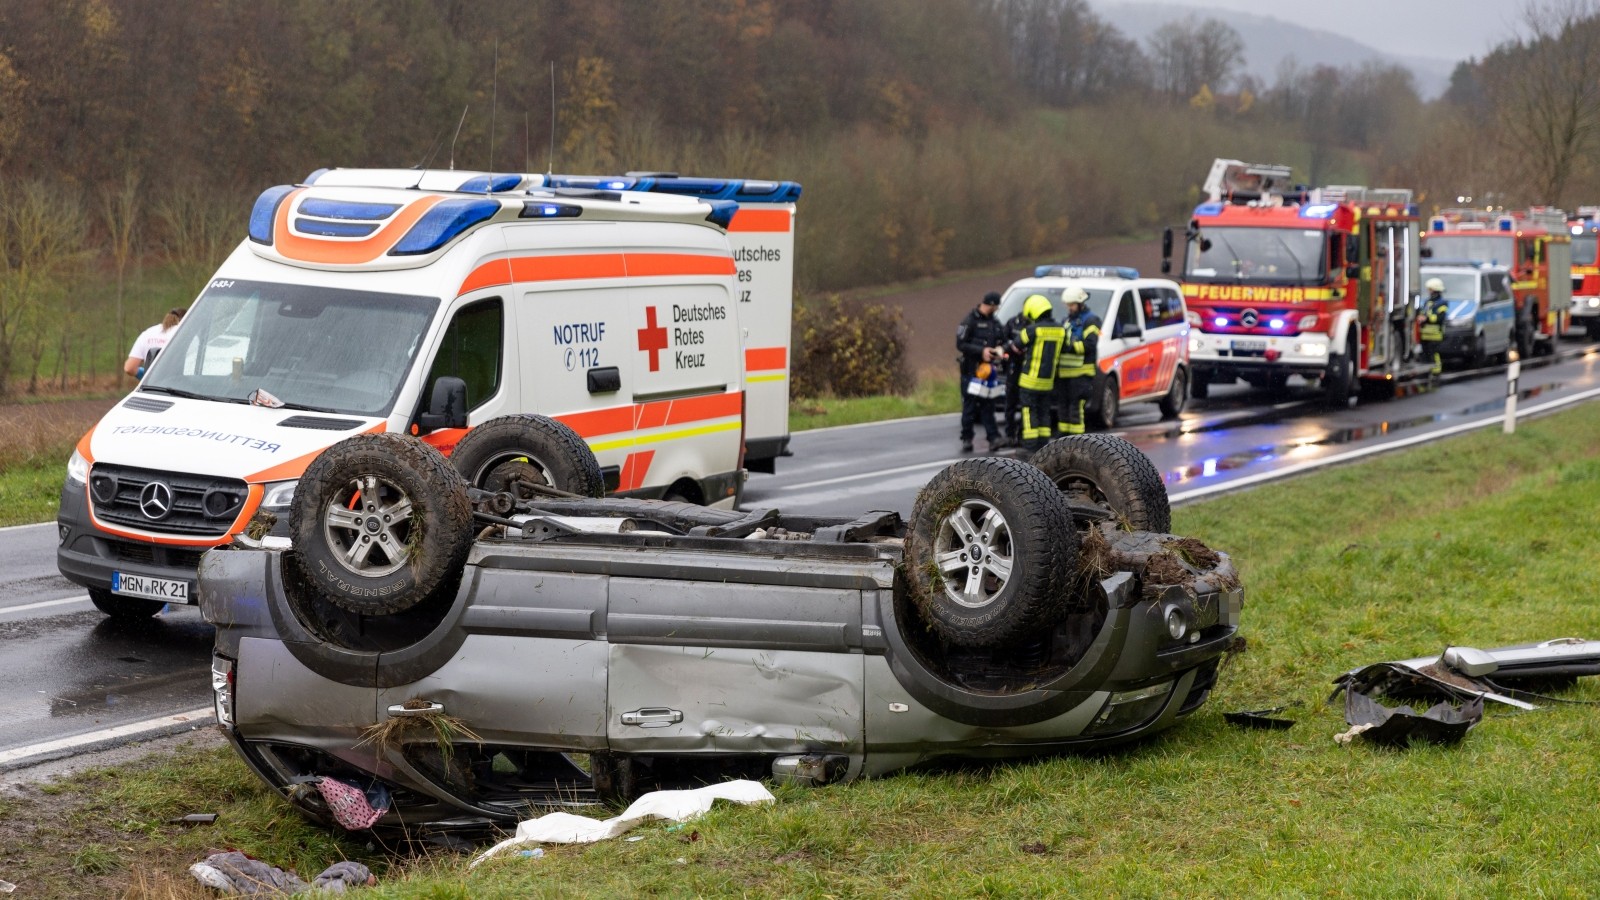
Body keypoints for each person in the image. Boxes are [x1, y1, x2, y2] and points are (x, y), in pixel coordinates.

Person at [1007, 293, 1066, 452]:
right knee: (1043, 411)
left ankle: (1031, 444)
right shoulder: (1060, 330)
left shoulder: (1032, 330)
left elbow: (1016, 346)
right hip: (1047, 382)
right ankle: (1044, 443)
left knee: (1029, 411)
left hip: (1030, 380)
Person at [955, 291, 1006, 452]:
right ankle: (967, 439)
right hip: (971, 371)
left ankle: (994, 438)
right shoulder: (969, 321)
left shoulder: (995, 322)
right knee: (969, 407)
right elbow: (961, 344)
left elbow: (1003, 339)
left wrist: (999, 350)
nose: (996, 310)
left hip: (988, 372)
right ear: (991, 305)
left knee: (988, 406)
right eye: (996, 307)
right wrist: (981, 351)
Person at [1055, 287, 1101, 436]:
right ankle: (1063, 439)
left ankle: (1077, 440)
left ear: (1080, 303)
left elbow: (1090, 344)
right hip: (1064, 373)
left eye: (1072, 305)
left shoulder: (1091, 320)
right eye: (1067, 305)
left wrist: (1070, 347)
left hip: (1081, 373)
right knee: (1063, 406)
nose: (1069, 308)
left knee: (1076, 408)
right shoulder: (1067, 320)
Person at [124, 307, 186, 379]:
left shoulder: (148, 333)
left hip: (153, 388)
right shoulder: (184, 332)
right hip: (177, 385)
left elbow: (129, 368)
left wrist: (148, 377)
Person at [1419, 278, 1450, 375]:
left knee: (1434, 354)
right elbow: (1423, 312)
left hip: (1435, 335)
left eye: (1430, 289)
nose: (1429, 291)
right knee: (1425, 354)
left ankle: (1436, 372)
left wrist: (1426, 318)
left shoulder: (1442, 303)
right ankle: (1427, 371)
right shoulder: (1427, 302)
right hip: (1425, 335)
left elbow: (1439, 318)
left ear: (1436, 290)